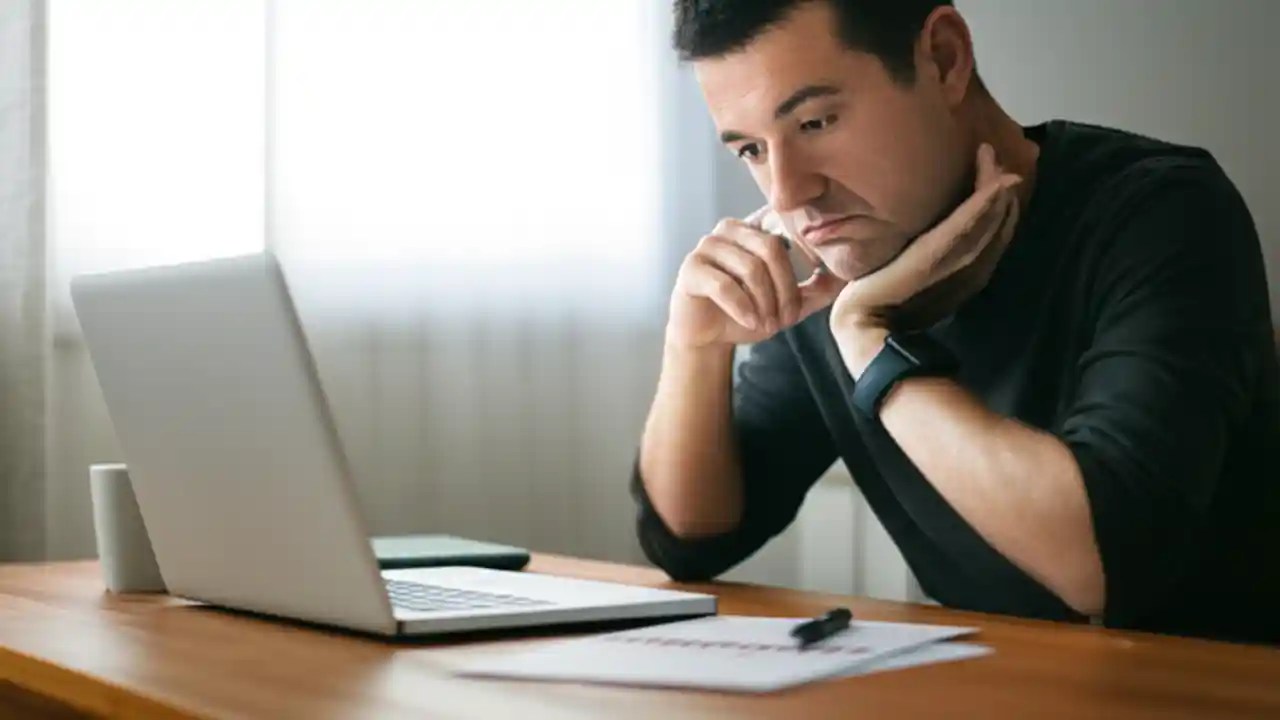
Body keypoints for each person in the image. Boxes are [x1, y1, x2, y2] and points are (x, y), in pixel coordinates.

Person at [632, 0, 1280, 643]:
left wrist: (870, 342)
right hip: (992, 687)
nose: (787, 195)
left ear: (944, 58)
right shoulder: (833, 261)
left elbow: (1109, 564)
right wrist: (694, 346)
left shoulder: (1164, 214)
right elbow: (696, 540)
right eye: (750, 149)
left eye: (815, 122)